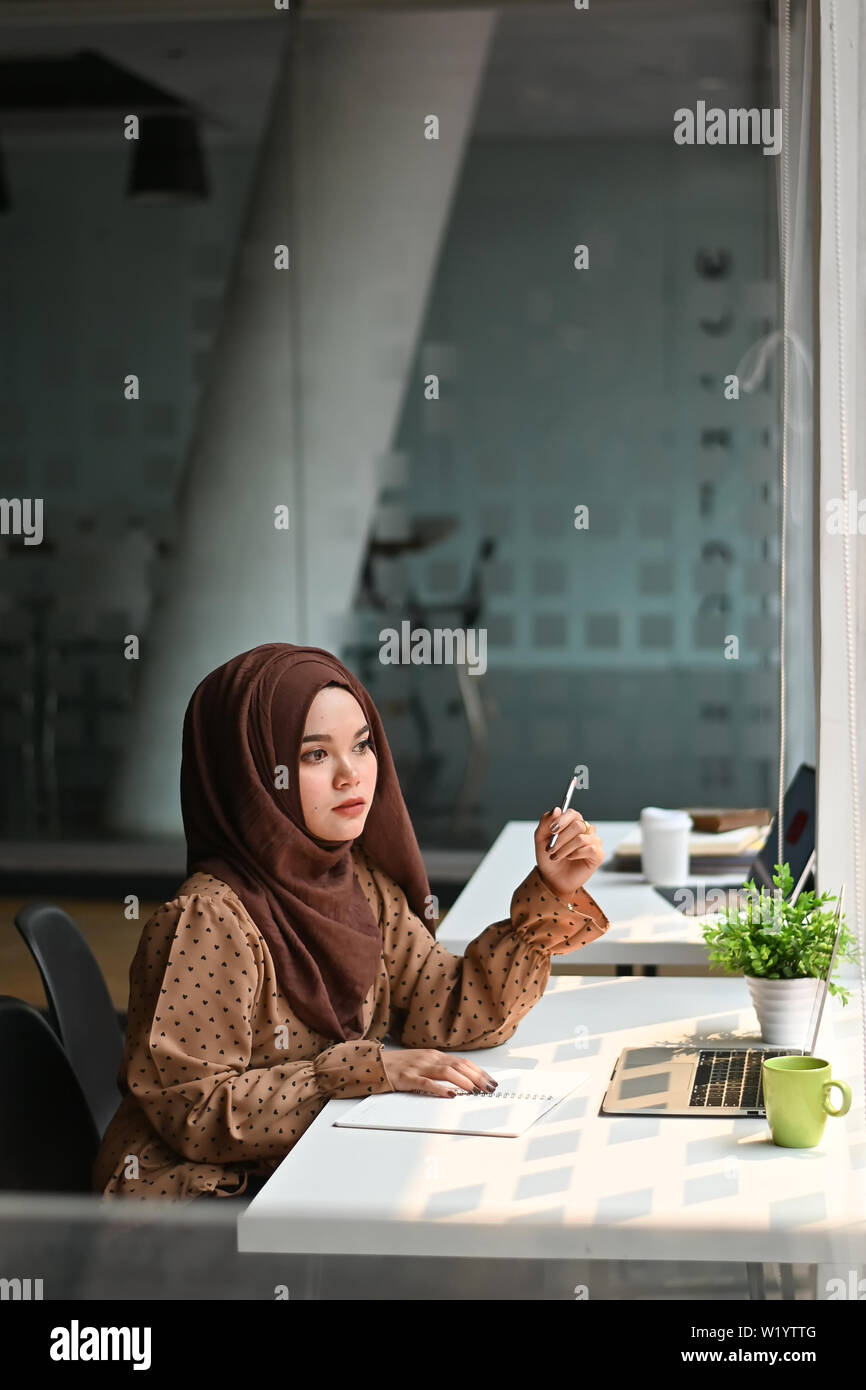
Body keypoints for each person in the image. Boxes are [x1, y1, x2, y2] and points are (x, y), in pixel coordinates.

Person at [92, 643, 609, 1202]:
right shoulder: (207, 921)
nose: (351, 775)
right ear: (250, 772)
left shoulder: (356, 880)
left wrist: (550, 893)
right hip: (203, 1205)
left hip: (313, 1166)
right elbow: (196, 1112)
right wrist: (365, 1070)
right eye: (314, 756)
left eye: (362, 746)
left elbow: (451, 1006)